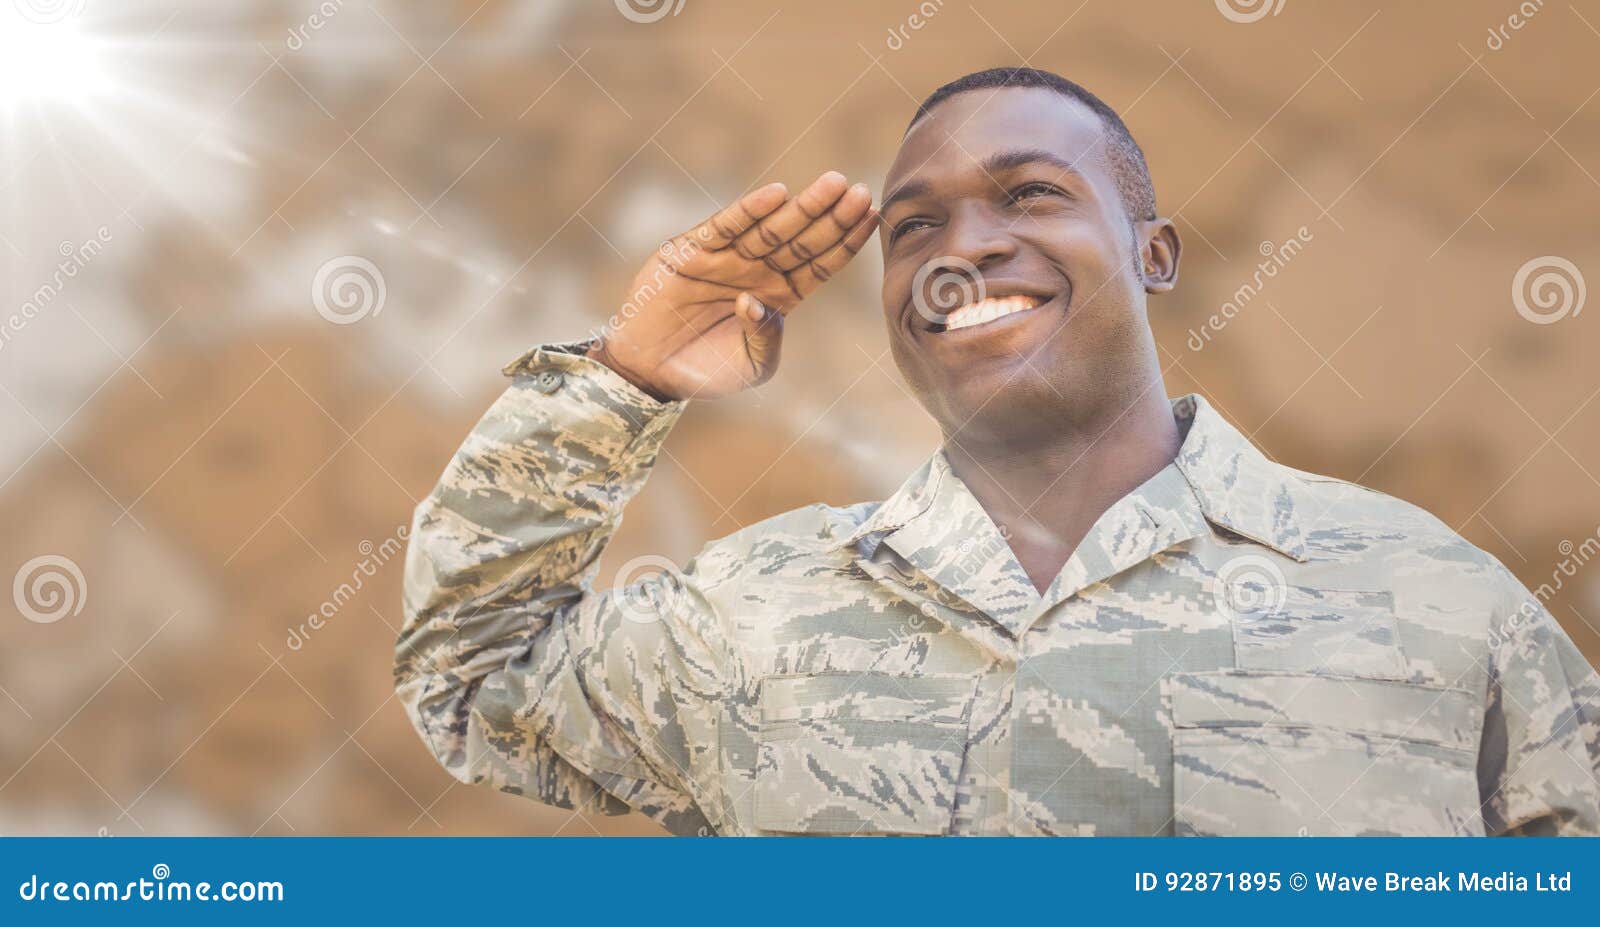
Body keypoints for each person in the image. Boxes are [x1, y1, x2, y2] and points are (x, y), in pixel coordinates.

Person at [394, 67, 1600, 836]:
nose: (961, 249)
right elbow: (472, 678)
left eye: (1028, 195)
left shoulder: (1429, 598)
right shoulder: (747, 615)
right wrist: (624, 379)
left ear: (1155, 254)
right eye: (913, 227)